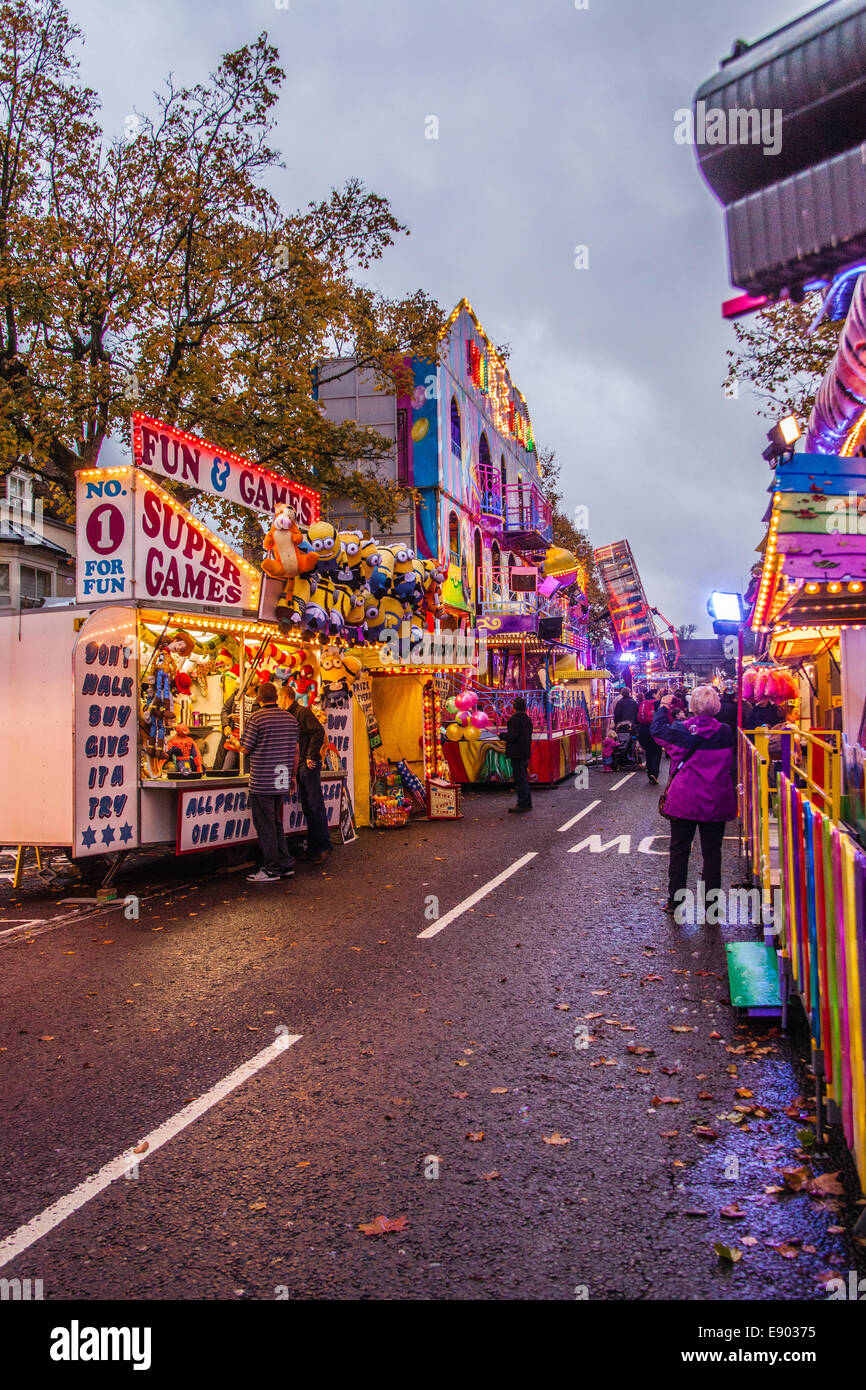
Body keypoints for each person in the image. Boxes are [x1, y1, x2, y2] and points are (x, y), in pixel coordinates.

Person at [650, 685, 736, 915]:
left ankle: (676, 901)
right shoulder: (726, 732)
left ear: (692, 706)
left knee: (679, 851)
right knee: (712, 853)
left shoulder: (681, 730)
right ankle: (712, 906)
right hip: (716, 800)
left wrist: (664, 706)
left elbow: (657, 731)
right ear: (716, 707)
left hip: (684, 800)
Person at [239, 680, 299, 883]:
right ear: (276, 697)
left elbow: (246, 748)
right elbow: (296, 751)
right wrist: (293, 775)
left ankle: (271, 868)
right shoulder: (291, 719)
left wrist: (234, 743)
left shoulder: (256, 719)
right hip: (282, 777)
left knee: (265, 825)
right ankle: (285, 864)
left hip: (262, 779)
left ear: (258, 698)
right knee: (276, 823)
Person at [283, 684, 332, 864]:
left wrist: (312, 755)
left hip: (307, 764)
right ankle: (314, 848)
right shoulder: (293, 714)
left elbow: (318, 732)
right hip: (302, 764)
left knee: (314, 806)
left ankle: (323, 847)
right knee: (308, 807)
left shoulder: (302, 713)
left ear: (284, 697)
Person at [504, 696, 534, 812]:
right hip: (525, 751)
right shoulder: (527, 719)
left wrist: (502, 736)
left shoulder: (514, 719)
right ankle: (526, 801)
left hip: (517, 753)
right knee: (523, 778)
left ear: (514, 707)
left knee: (520, 779)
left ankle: (523, 803)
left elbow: (512, 736)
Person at [635, 687, 662, 785]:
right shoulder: (657, 703)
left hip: (643, 730)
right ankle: (654, 773)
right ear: (654, 694)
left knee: (648, 753)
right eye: (658, 694)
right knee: (657, 752)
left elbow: (637, 718)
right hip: (655, 729)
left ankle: (650, 773)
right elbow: (661, 717)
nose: (659, 695)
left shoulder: (643, 703)